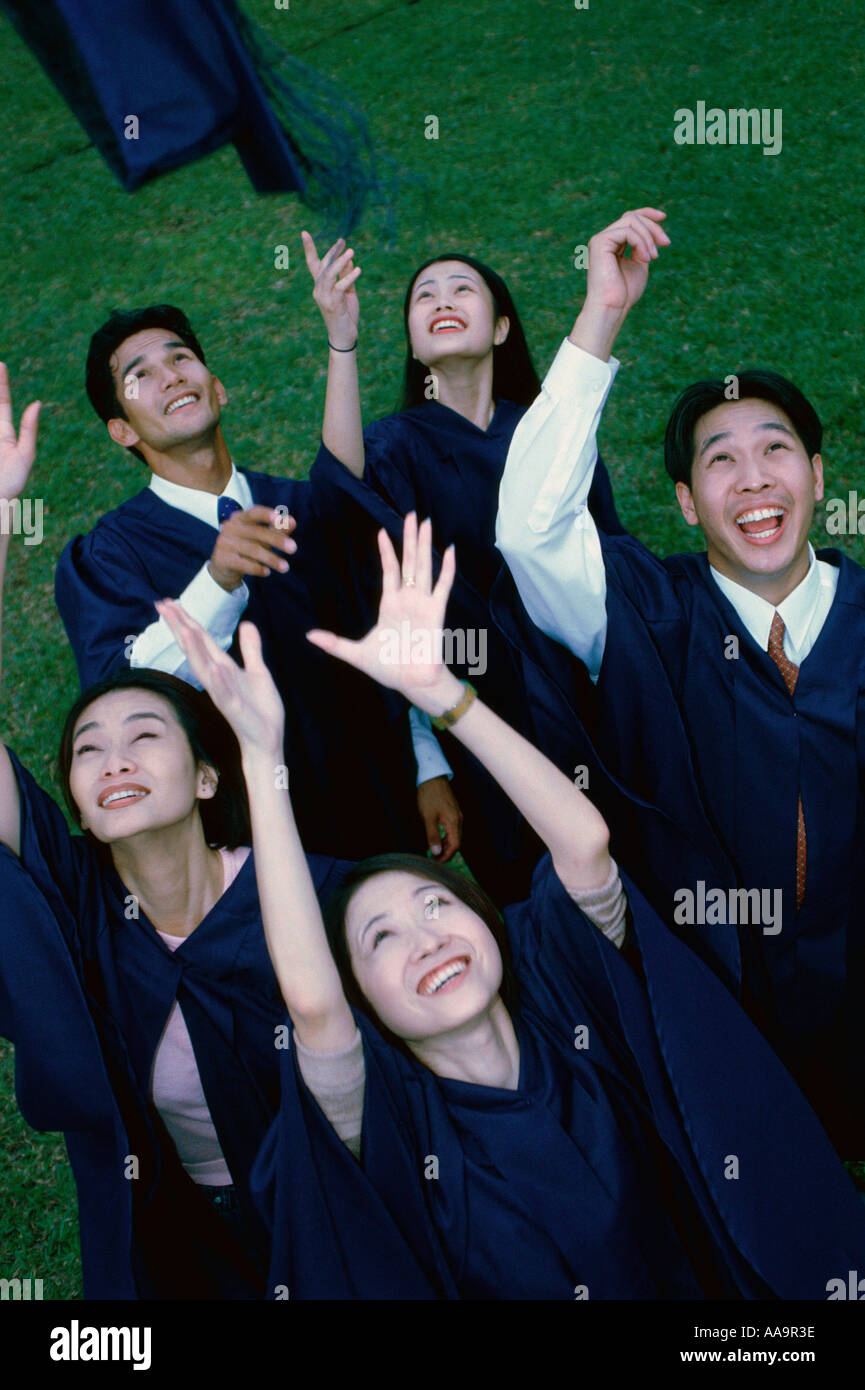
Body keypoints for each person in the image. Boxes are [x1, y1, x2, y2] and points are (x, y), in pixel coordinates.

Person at [160, 513, 865, 1301]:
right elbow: (312, 1003)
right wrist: (262, 762)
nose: (423, 938)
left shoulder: (567, 997)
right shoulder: (386, 1121)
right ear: (363, 1004)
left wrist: (442, 695)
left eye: (435, 904)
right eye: (378, 939)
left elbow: (584, 844)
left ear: (491, 928)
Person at [495, 206, 865, 1153]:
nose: (752, 480)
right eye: (720, 461)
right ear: (682, 500)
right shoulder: (641, 612)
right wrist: (600, 319)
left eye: (775, 450)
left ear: (818, 477)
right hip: (713, 990)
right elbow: (530, 530)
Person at [0, 366, 350, 1297]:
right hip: (179, 1237)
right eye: (87, 749)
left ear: (206, 776)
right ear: (72, 802)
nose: (113, 757)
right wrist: (1, 520)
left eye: (145, 734)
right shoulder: (82, 911)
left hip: (340, 1208)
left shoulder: (313, 894)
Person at [301, 233, 624, 897]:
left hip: (584, 692)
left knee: (624, 859)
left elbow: (610, 564)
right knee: (532, 890)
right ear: (415, 347)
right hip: (474, 709)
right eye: (424, 296)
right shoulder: (395, 447)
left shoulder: (546, 431)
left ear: (501, 326)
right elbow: (340, 493)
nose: (441, 301)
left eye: (461, 289)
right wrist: (341, 340)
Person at [53, 302, 432, 861]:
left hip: (379, 806)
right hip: (248, 843)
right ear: (121, 430)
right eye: (140, 376)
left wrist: (428, 764)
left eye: (180, 358)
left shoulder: (300, 507)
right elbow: (123, 690)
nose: (171, 376)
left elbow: (378, 628)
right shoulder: (112, 554)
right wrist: (217, 580)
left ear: (218, 388)